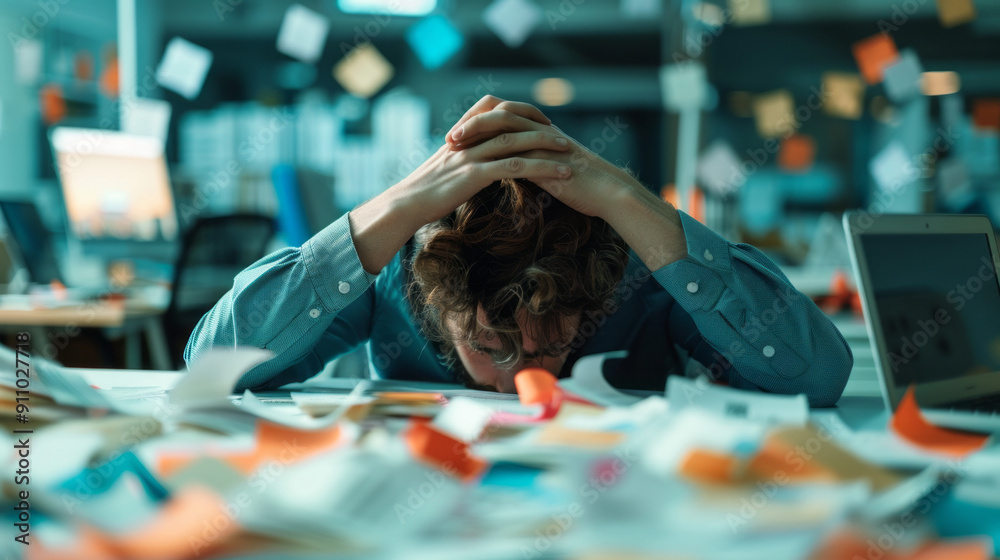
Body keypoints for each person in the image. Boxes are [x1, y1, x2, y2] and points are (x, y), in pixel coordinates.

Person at [185, 96, 853, 406]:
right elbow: (211, 368)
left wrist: (629, 199)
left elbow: (816, 379)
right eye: (488, 346)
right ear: (432, 300)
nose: (517, 386)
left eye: (549, 346)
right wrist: (397, 206)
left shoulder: (642, 270)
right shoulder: (395, 271)